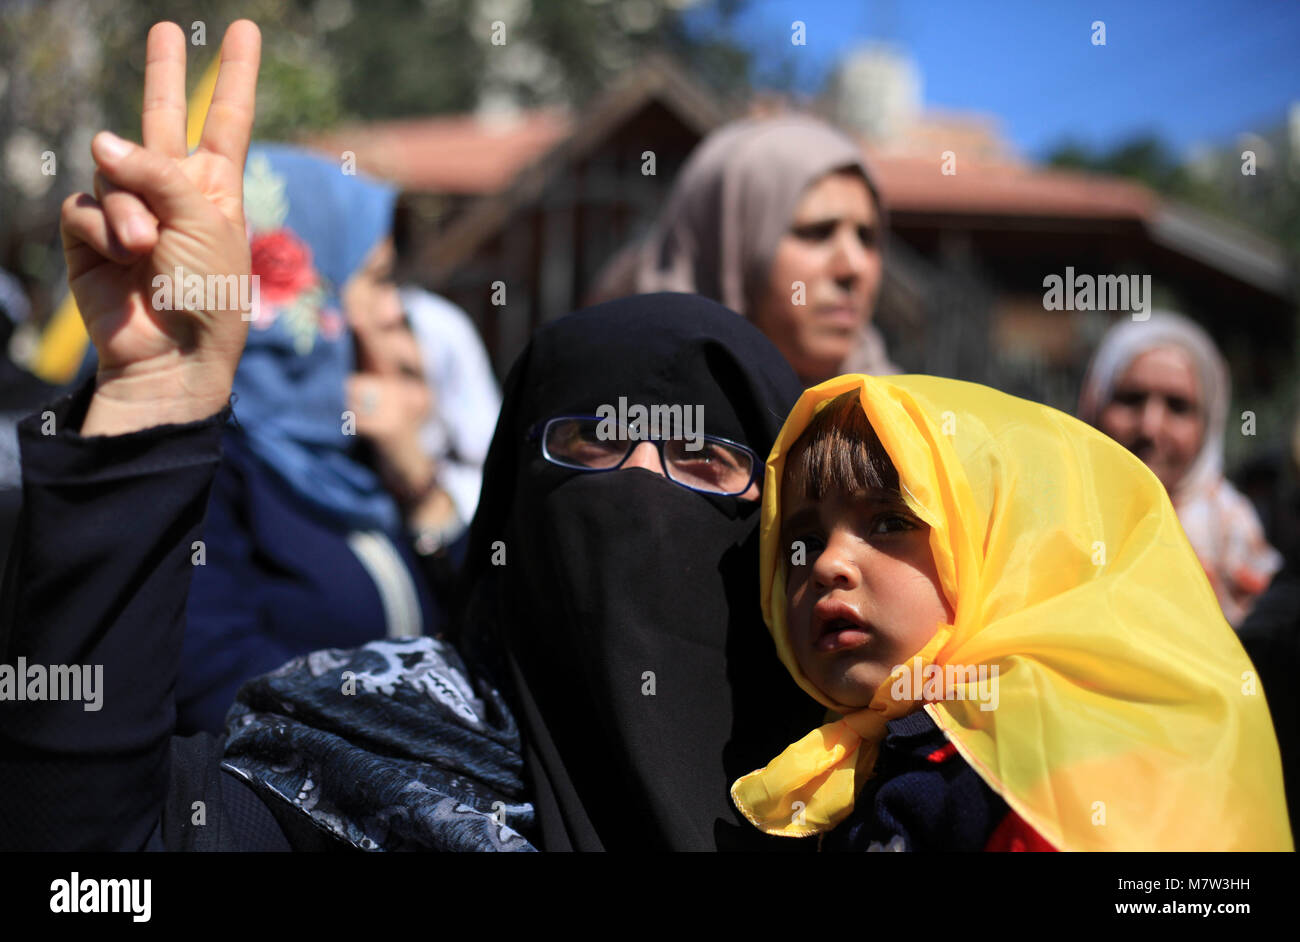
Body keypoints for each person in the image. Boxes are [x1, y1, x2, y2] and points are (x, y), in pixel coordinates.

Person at [0, 21, 821, 850]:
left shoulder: (871, 792)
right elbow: (88, 862)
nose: (640, 484)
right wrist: (152, 409)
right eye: (592, 445)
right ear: (517, 493)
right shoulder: (361, 764)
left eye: (704, 460)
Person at [729, 375, 1292, 850]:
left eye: (890, 522)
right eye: (801, 540)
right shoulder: (866, 749)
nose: (828, 564)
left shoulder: (1032, 764)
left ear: (1001, 546)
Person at [177, 143, 450, 734]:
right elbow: (214, 685)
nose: (392, 310)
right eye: (376, 280)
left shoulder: (354, 455)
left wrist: (422, 490)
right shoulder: (205, 465)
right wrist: (424, 734)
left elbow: (485, 633)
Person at [589, 115, 897, 385]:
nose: (854, 267)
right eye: (816, 233)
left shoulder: (911, 431)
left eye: (867, 237)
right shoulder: (615, 422)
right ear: (726, 247)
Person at [1078, 312, 1283, 626]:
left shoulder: (1231, 535)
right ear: (1095, 403)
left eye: (1178, 406)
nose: (1149, 427)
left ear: (1208, 424)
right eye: (1131, 399)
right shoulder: (1055, 511)